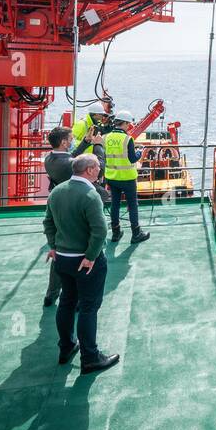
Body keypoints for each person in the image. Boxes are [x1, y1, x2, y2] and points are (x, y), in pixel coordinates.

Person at [43, 154, 119, 374]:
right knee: (88, 308)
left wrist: (54, 246)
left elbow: (48, 222)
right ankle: (90, 357)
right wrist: (91, 256)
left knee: (67, 301)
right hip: (85, 261)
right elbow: (99, 230)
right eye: (97, 167)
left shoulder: (57, 192)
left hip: (62, 260)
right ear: (88, 170)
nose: (99, 170)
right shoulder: (90, 195)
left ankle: (66, 347)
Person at [41, 126, 93, 307]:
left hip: (56, 204)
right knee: (78, 249)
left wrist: (86, 142)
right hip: (72, 207)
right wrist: (97, 147)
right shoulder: (69, 164)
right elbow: (77, 165)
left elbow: (71, 159)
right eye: (70, 139)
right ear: (63, 142)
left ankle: (51, 294)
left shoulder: (49, 159)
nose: (72, 142)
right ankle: (77, 298)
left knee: (58, 251)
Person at [102, 110, 150, 245]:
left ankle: (116, 233)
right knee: (132, 205)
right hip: (128, 178)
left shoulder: (106, 137)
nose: (129, 126)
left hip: (112, 177)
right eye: (129, 124)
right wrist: (140, 152)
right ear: (126, 123)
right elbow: (132, 158)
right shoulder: (128, 139)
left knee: (115, 205)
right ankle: (136, 233)